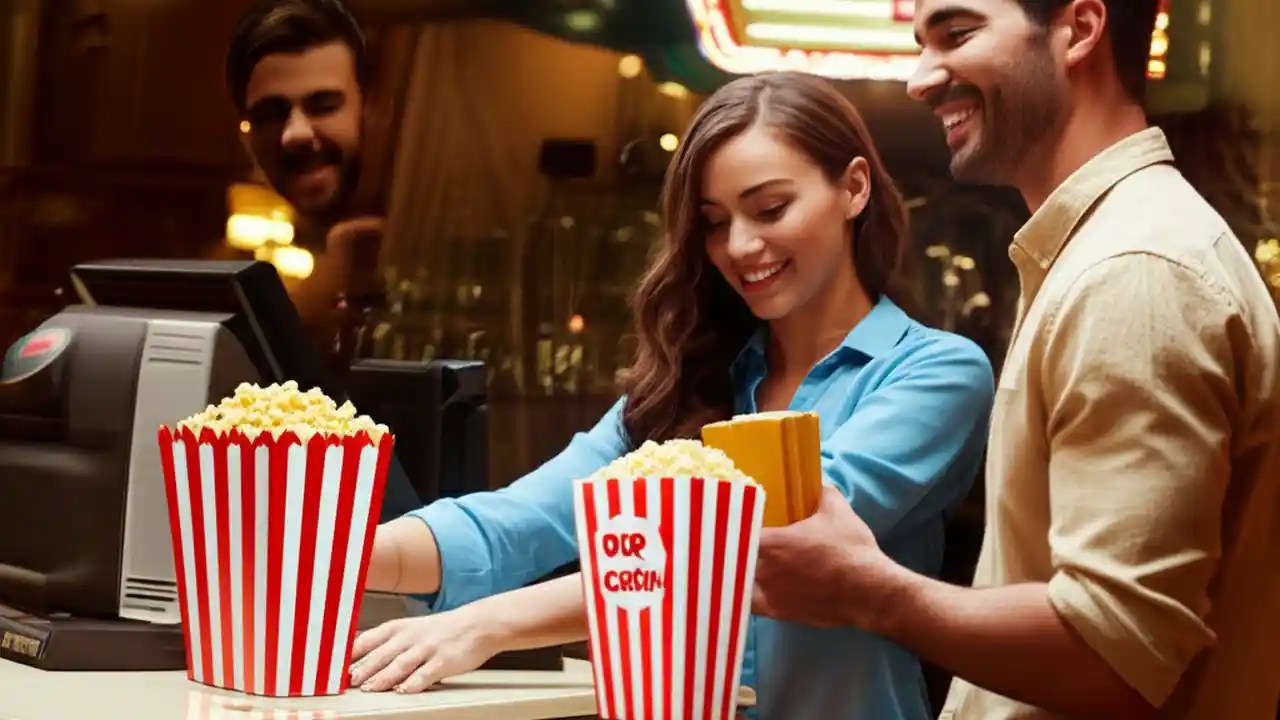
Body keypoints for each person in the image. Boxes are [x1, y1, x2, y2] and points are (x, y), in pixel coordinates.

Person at [348, 72, 996, 719]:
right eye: (714, 223)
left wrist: (486, 625)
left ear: (853, 187)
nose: (740, 247)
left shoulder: (935, 374)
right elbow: (523, 520)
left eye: (770, 209)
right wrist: (315, 553)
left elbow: (756, 550)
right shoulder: (689, 385)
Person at [749, 1, 1280, 719]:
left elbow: (1113, 657)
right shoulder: (1101, 254)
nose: (920, 78)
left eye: (957, 35)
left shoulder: (1134, 272)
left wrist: (867, 592)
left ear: (1080, 29)